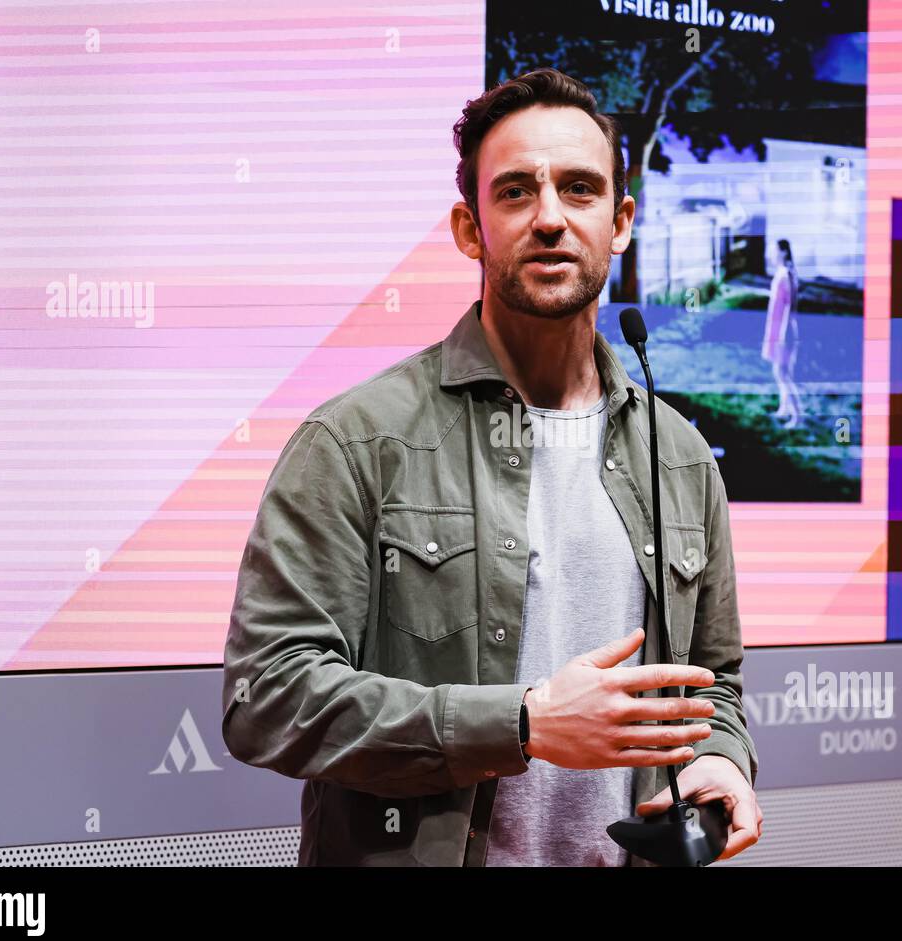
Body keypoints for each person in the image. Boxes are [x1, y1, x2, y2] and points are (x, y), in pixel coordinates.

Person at [222, 68, 760, 867]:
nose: (549, 218)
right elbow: (266, 698)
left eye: (579, 190)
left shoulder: (678, 452)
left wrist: (719, 758)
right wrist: (523, 724)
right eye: (515, 192)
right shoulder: (357, 439)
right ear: (471, 230)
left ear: (619, 223)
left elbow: (711, 681)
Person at [762, 238, 803, 428]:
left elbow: (790, 307)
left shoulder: (786, 275)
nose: (771, 253)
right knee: (778, 371)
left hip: (784, 332)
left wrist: (782, 334)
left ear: (784, 252)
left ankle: (797, 416)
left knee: (783, 373)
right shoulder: (780, 273)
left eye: (774, 250)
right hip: (777, 329)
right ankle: (784, 409)